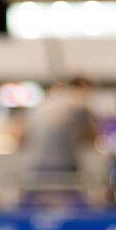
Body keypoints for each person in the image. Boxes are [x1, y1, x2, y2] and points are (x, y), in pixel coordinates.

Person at [21, 76, 99, 204]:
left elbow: (20, 134)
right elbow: (93, 137)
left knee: (36, 211)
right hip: (66, 170)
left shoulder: (40, 105)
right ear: (83, 88)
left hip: (36, 169)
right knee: (74, 213)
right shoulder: (79, 106)